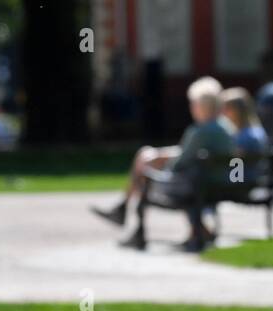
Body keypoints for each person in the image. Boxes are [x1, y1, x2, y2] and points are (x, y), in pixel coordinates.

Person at [92, 76, 236, 252]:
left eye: (193, 104)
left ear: (201, 106)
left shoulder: (199, 131)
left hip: (197, 185)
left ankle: (133, 224)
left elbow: (178, 164)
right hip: (217, 183)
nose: (191, 108)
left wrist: (159, 167)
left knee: (145, 174)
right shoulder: (226, 127)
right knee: (147, 156)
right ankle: (200, 230)